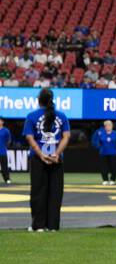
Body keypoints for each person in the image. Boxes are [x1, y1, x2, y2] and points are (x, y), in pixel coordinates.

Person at [23, 88, 70, 231]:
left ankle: (38, 226)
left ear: (39, 100)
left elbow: (29, 137)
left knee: (38, 192)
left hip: (38, 159)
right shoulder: (61, 116)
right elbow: (66, 136)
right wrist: (56, 154)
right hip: (56, 159)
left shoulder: (31, 116)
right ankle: (53, 225)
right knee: (55, 192)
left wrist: (41, 154)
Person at [91, 119, 116, 186]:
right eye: (106, 125)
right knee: (104, 167)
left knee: (113, 167)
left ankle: (112, 180)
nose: (108, 127)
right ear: (104, 127)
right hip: (103, 153)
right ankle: (105, 180)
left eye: (109, 125)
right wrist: (99, 147)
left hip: (113, 153)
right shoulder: (101, 133)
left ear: (112, 126)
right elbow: (96, 142)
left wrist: (115, 147)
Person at [0, 119, 11, 184]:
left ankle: (7, 179)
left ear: (2, 122)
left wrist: (5, 146)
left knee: (4, 166)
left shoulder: (6, 130)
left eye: (0, 120)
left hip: (2, 152)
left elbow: (9, 140)